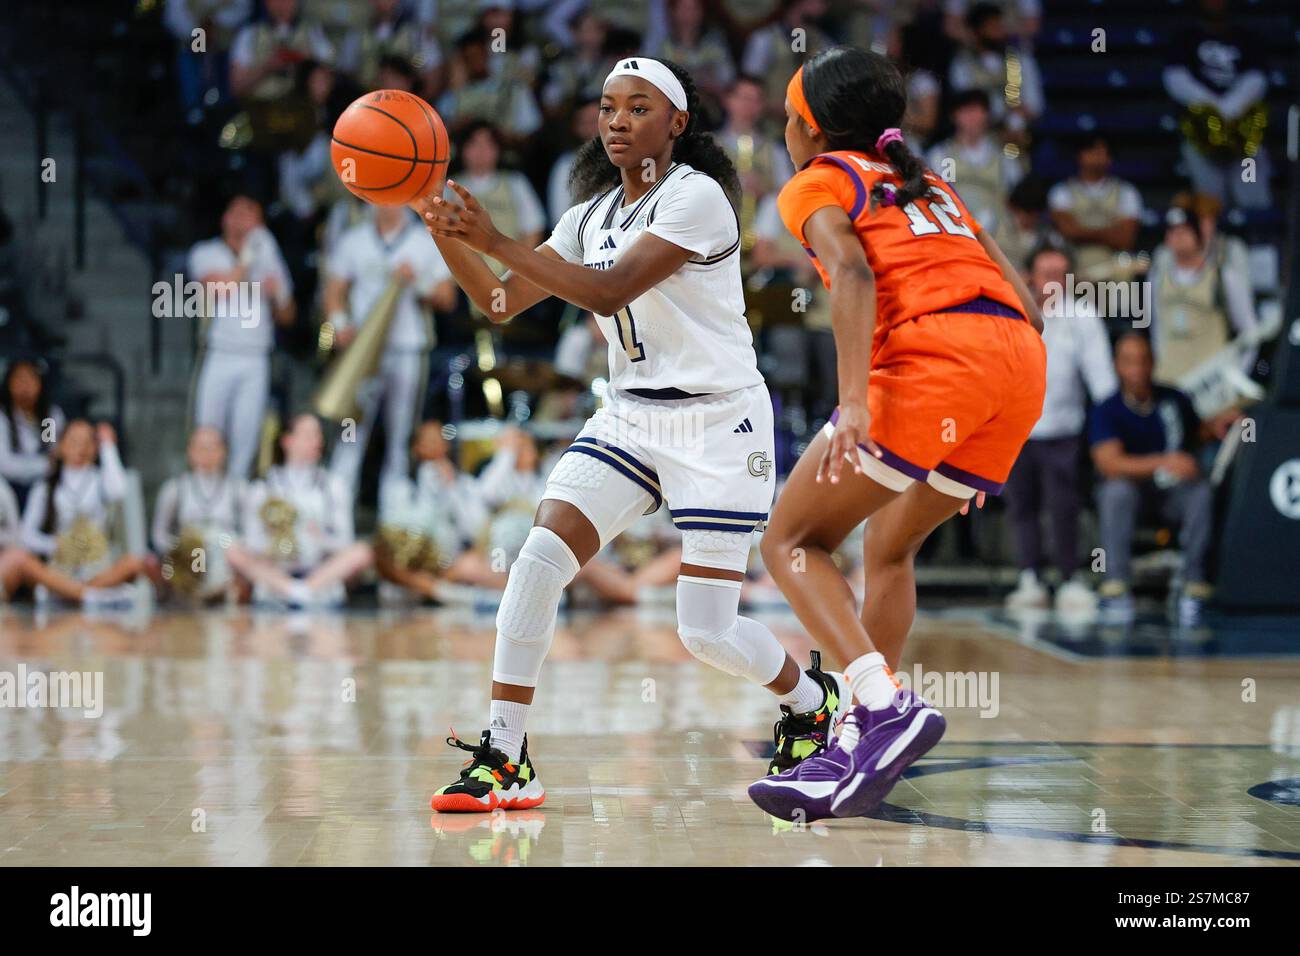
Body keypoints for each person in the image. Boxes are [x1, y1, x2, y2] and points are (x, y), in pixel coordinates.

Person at [413, 56, 850, 813]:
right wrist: (445, 226)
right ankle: (506, 754)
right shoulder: (586, 217)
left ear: (677, 123)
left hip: (719, 421)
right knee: (536, 560)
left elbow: (611, 289)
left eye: (637, 108)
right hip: (633, 414)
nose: (616, 121)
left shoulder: (701, 198)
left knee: (704, 631)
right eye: (607, 107)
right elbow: (497, 298)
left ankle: (812, 699)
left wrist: (495, 234)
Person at [747, 48, 1045, 822]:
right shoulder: (934, 186)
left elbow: (851, 274)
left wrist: (854, 404)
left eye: (788, 117)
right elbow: (1032, 308)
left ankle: (882, 708)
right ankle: (857, 735)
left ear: (810, 131)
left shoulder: (817, 181)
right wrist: (973, 429)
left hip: (936, 361)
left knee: (791, 541)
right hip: (1016, 367)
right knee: (888, 548)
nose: (784, 129)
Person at [1003, 246, 1116, 612]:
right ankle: (1029, 577)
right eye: (1045, 272)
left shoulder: (1082, 316)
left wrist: (1108, 429)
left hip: (1063, 430)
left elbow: (1103, 382)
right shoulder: (1013, 312)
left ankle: (1069, 576)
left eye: (1059, 273)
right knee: (1022, 506)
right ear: (1031, 275)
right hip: (1016, 429)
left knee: (1063, 507)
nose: (1051, 280)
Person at [323, 204, 456, 492]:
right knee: (351, 427)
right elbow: (334, 290)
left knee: (401, 432)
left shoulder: (423, 241)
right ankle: (338, 504)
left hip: (406, 346)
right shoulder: (354, 239)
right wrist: (339, 322)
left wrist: (418, 282)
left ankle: (393, 512)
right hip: (364, 351)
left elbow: (447, 298)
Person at [1089, 333, 1214, 625]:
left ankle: (1194, 584)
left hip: (1172, 493)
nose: (1138, 369)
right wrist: (1164, 461)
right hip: (1135, 494)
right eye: (1130, 362)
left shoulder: (1174, 399)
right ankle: (1116, 585)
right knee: (1115, 492)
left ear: (1153, 363)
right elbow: (1110, 463)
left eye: (1144, 361)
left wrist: (1218, 425)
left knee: (1201, 493)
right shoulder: (1107, 409)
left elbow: (1197, 434)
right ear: (1117, 365)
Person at [188, 194, 296, 479]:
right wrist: (249, 258)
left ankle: (235, 499)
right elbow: (219, 289)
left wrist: (277, 293)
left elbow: (288, 316)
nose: (241, 220)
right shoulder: (206, 252)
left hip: (255, 357)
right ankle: (204, 496)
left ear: (259, 222)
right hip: (220, 353)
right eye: (236, 213)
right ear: (224, 218)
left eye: (249, 215)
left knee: (246, 436)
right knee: (208, 431)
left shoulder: (269, 253)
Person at [226, 413, 372, 606]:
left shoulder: (333, 485)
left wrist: (321, 539)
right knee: (233, 550)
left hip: (319, 569)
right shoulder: (263, 486)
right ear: (287, 440)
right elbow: (252, 540)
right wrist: (275, 544)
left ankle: (307, 589)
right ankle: (289, 589)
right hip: (276, 569)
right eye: (308, 434)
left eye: (318, 435)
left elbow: (345, 540)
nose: (316, 441)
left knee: (362, 551)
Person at [19, 420, 153, 606]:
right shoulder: (45, 487)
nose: (80, 448)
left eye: (87, 442)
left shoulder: (100, 480)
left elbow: (118, 490)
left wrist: (108, 446)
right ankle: (91, 595)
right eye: (74, 441)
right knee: (23, 561)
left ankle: (77, 593)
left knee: (135, 562)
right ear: (61, 446)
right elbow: (26, 535)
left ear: (95, 448)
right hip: (60, 567)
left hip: (96, 565)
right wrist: (54, 544)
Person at [1162, 0, 1271, 211]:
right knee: (1210, 203)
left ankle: (1260, 240)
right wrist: (1213, 109)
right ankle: (1211, 240)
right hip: (1200, 135)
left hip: (1245, 137)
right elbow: (1175, 79)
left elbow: (1257, 79)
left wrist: (1230, 110)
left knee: (1254, 198)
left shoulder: (1248, 37)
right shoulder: (1185, 38)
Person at [1148, 205, 1258, 389]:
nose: (1179, 237)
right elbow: (1156, 327)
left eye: (1185, 230)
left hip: (1210, 382)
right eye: (1173, 232)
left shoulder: (1224, 276)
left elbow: (1250, 331)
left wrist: (1236, 374)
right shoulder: (1157, 277)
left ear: (1199, 234)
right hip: (1168, 380)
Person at [151, 427, 245, 603]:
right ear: (191, 451)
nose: (207, 454)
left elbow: (249, 532)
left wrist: (232, 546)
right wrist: (179, 548)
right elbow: (159, 535)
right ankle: (194, 595)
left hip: (226, 555)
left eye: (212, 448)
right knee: (196, 552)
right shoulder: (175, 488)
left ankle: (221, 594)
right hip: (190, 558)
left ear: (223, 452)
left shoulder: (238, 489)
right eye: (201, 448)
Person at [926, 89, 1023, 235]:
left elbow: (1016, 202)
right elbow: (944, 191)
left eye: (977, 111)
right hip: (955, 230)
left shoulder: (1004, 159)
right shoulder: (944, 155)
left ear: (987, 115)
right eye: (966, 112)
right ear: (955, 116)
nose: (972, 118)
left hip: (996, 234)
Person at [1047, 135, 1142, 283]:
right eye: (1092, 151)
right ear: (1080, 156)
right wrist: (1109, 232)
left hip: (1114, 268)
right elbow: (1067, 231)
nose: (1097, 156)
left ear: (1110, 158)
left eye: (1102, 152)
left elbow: (1125, 239)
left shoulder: (1127, 192)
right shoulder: (1062, 191)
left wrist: (1081, 231)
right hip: (1074, 265)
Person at [0, 359, 64, 510]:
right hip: (7, 489)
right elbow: (5, 465)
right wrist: (45, 465)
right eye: (19, 379)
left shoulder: (49, 417)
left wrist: (48, 464)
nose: (25, 386)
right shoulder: (2, 417)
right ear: (8, 384)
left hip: (43, 489)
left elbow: (54, 455)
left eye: (31, 379)